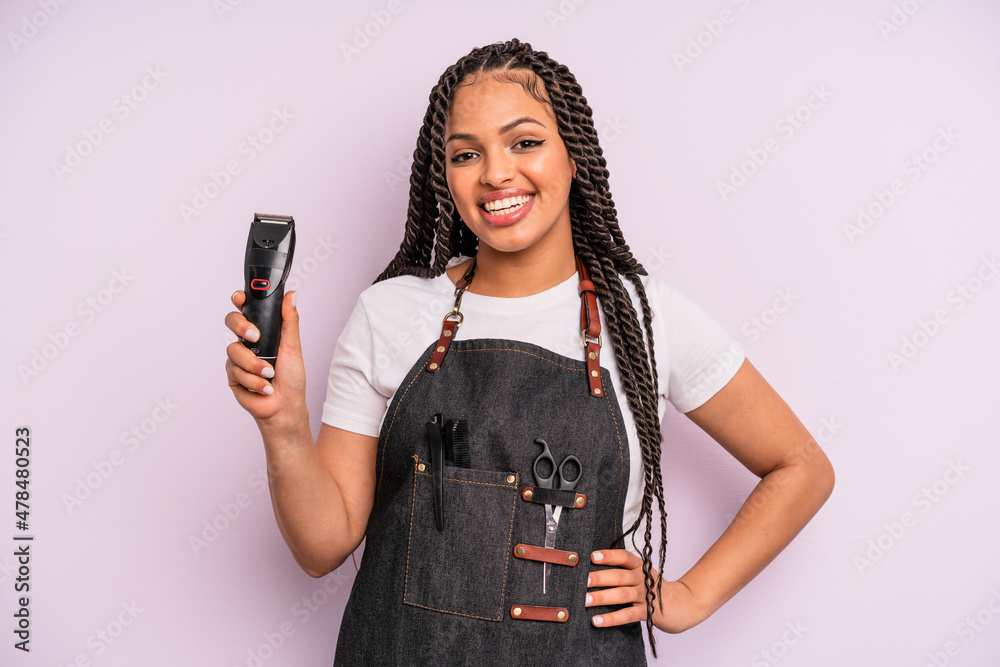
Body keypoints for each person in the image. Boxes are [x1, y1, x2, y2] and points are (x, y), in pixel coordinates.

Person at [225, 38, 834, 665]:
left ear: (575, 157)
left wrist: (684, 598)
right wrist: (285, 423)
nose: (495, 173)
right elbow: (322, 547)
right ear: (447, 177)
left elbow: (801, 467)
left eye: (525, 142)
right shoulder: (389, 313)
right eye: (467, 153)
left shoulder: (645, 320)